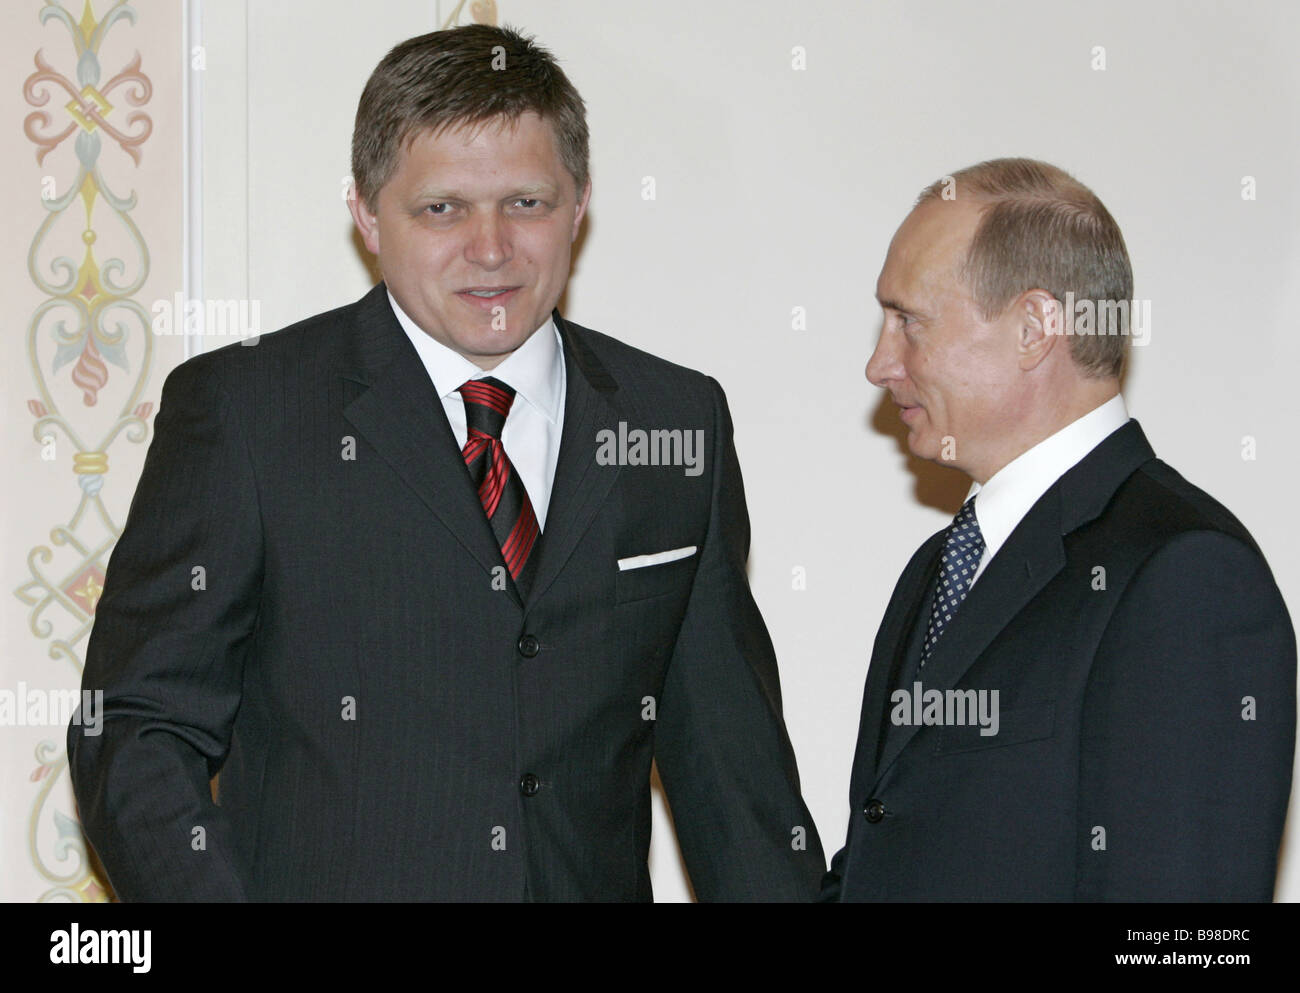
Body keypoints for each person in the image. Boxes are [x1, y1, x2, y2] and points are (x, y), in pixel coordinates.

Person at [68, 24, 824, 901]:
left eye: (527, 203)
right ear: (365, 214)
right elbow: (134, 726)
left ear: (580, 204)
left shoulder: (676, 422)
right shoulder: (247, 412)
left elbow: (733, 772)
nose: (492, 247)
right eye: (443, 209)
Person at [823, 157, 1295, 901]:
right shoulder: (939, 567)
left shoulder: (1185, 574)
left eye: (909, 321)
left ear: (1036, 327)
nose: (880, 363)